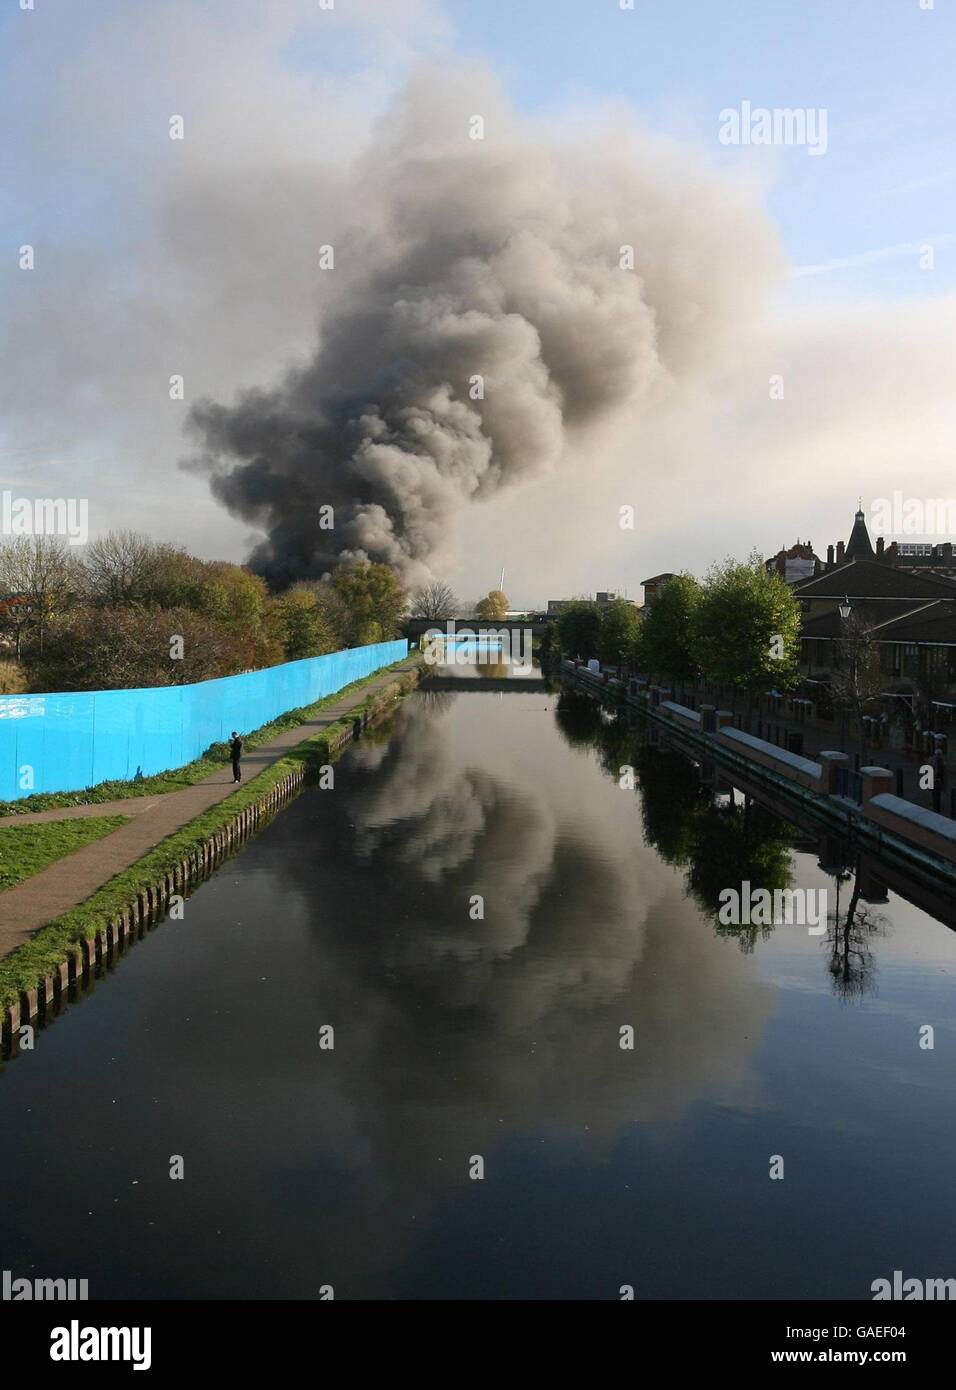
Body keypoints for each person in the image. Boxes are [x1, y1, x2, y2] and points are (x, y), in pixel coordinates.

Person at [931, 745, 946, 815]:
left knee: (936, 794)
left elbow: (942, 772)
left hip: (937, 780)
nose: (937, 756)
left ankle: (936, 807)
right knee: (935, 793)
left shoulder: (940, 762)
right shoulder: (935, 761)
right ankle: (935, 806)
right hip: (935, 780)